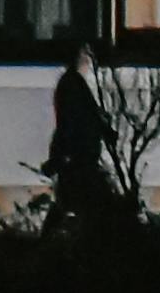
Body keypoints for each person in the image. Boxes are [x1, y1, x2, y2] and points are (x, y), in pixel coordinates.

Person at [47, 48, 114, 223]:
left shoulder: (71, 83)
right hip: (79, 156)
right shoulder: (73, 84)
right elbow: (74, 120)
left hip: (78, 156)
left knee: (74, 203)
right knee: (80, 204)